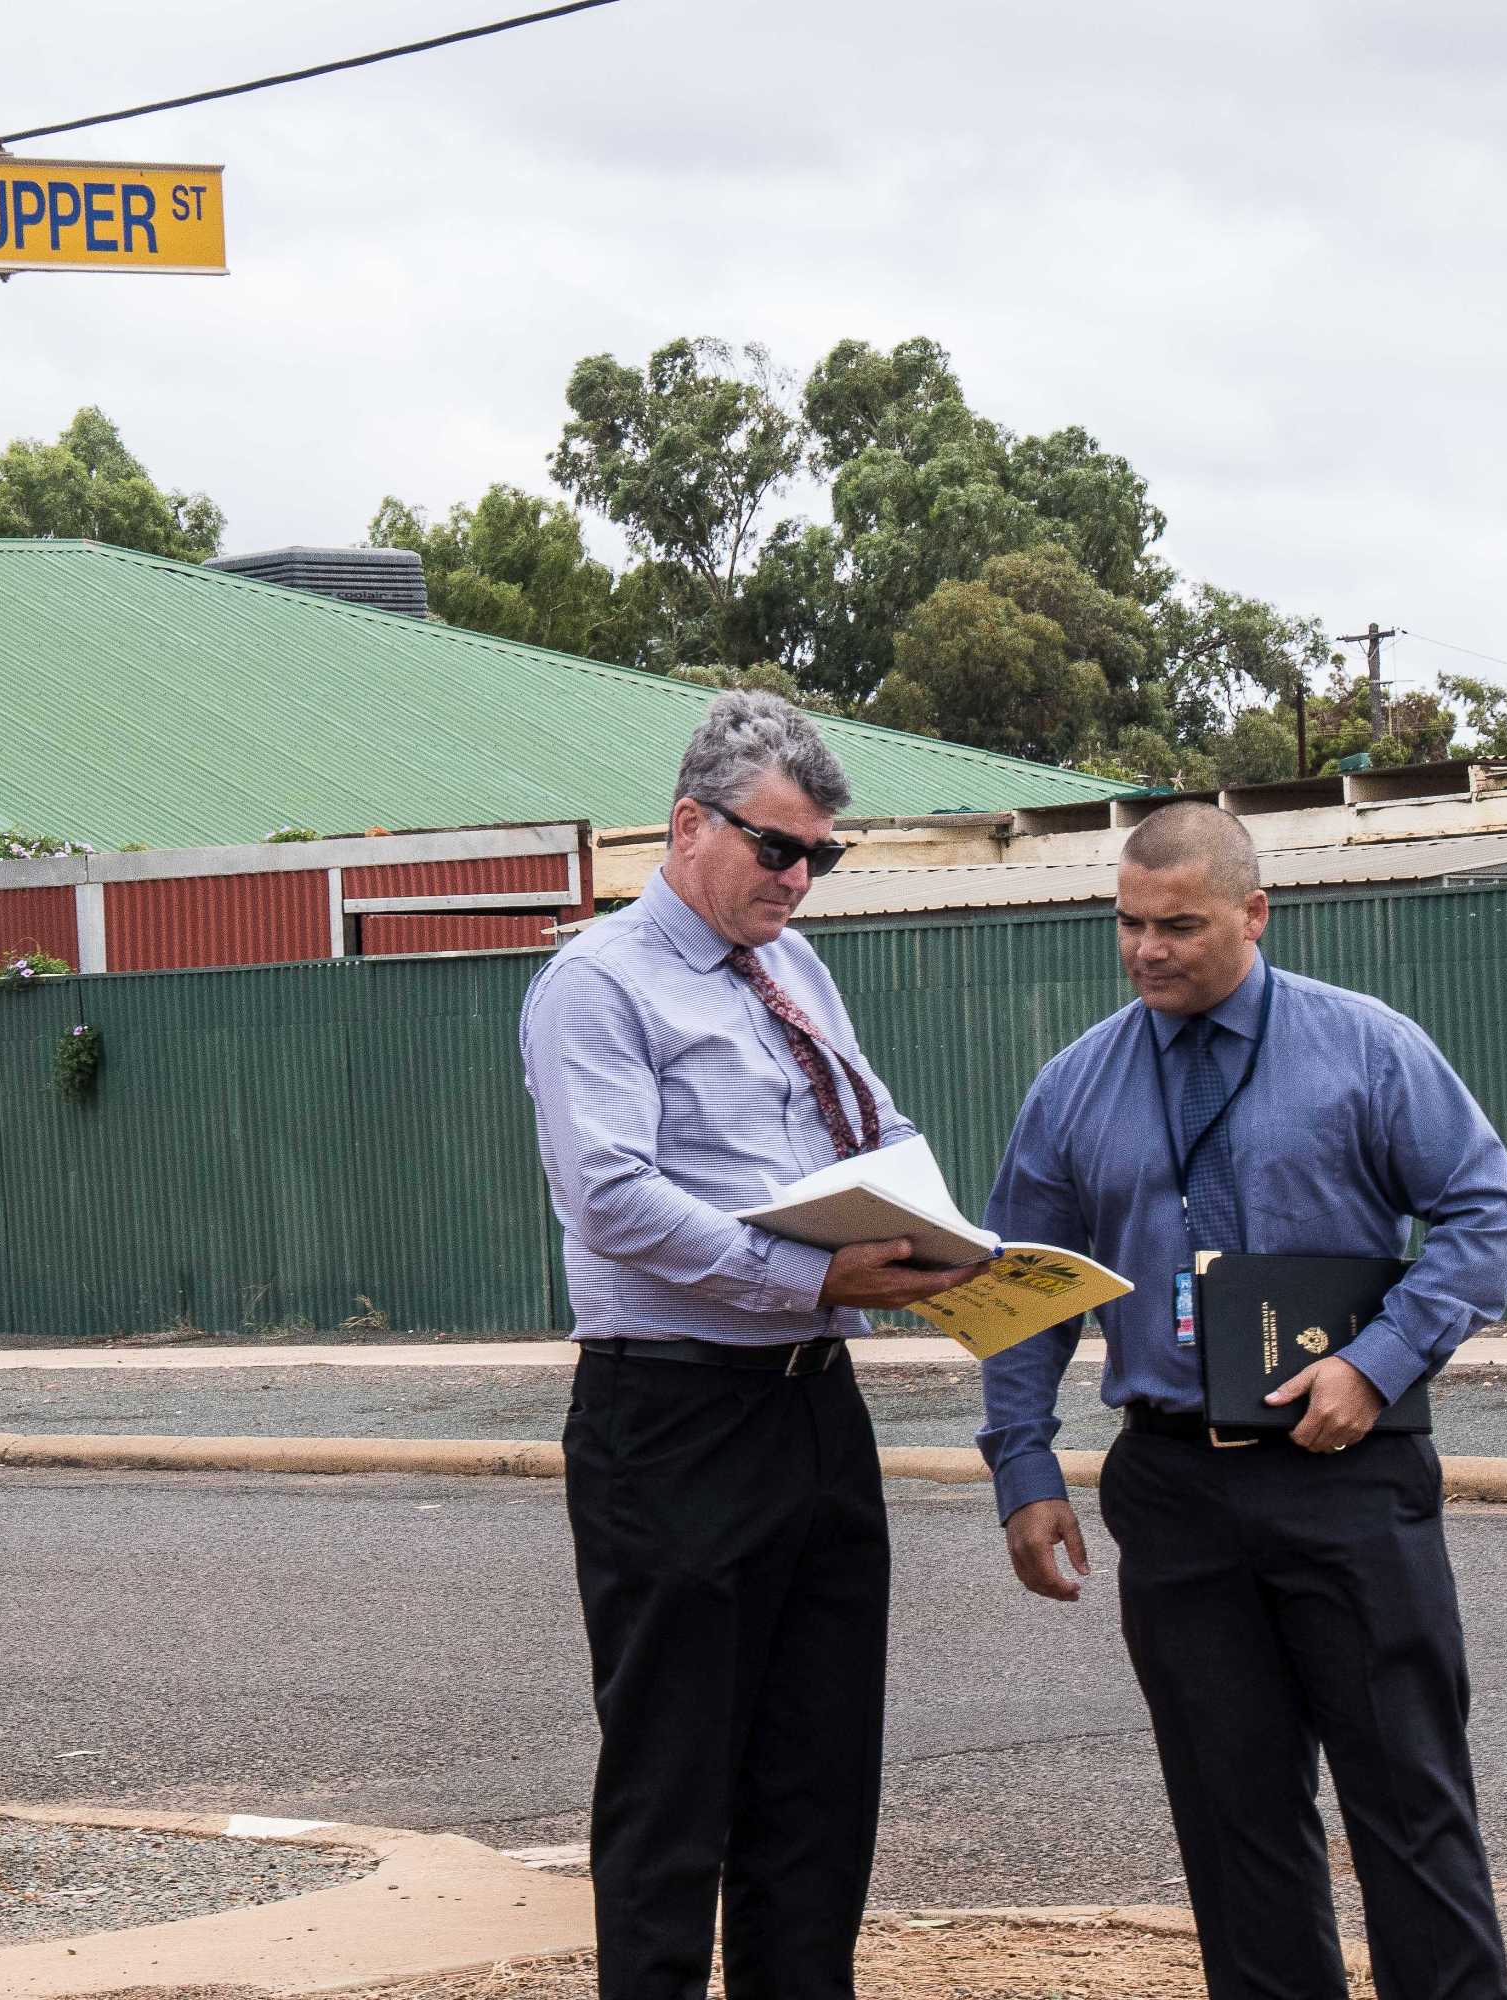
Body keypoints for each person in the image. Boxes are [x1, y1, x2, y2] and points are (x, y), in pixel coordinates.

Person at [977, 802, 1507, 2000]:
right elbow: (1024, 1292)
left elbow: (1488, 1218)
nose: (1146, 949)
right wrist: (1023, 1466)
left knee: (1409, 1805)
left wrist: (1378, 1361)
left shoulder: (1367, 1049)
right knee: (1236, 1830)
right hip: (1175, 1492)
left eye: (1177, 924)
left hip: (1349, 1478)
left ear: (1253, 912)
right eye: (1127, 923)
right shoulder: (1075, 1086)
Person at [520, 690, 982, 2000]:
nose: (799, 877)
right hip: (670, 1416)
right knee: (675, 1795)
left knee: (819, 1783)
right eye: (777, 847)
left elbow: (873, 1123)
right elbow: (608, 1196)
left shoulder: (796, 971)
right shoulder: (595, 984)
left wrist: (946, 1247)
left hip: (812, 1411)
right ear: (686, 824)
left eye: (820, 856)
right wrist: (803, 1271)